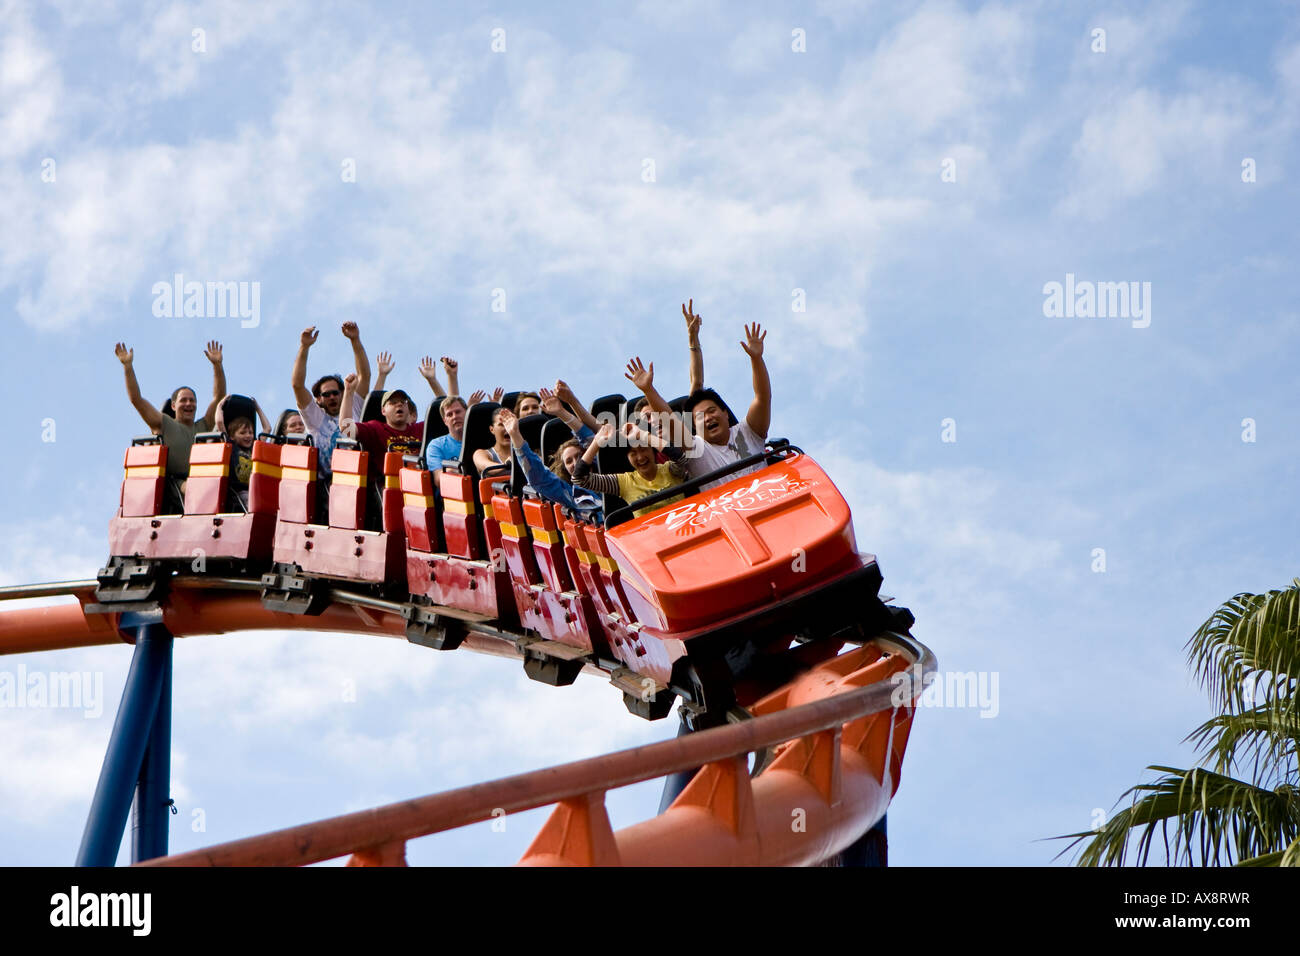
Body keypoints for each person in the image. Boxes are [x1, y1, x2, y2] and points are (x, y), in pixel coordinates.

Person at [624, 322, 770, 491]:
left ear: (725, 414)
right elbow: (669, 419)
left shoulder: (749, 432)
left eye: (712, 411)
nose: (708, 418)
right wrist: (649, 390)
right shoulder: (695, 450)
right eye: (700, 416)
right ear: (693, 425)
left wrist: (757, 359)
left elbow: (762, 397)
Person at [114, 340, 227, 479]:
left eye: (192, 400)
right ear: (173, 406)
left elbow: (219, 397)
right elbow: (137, 400)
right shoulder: (164, 423)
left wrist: (217, 366)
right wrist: (127, 367)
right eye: (183, 400)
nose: (188, 404)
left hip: (201, 482)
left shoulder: (203, 426)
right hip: (175, 485)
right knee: (191, 488)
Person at [289, 323, 372, 479]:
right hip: (327, 485)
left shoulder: (353, 406)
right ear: (319, 399)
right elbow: (297, 385)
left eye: (335, 393)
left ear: (342, 393)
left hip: (357, 479)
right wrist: (304, 347)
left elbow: (365, 376)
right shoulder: (315, 418)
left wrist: (355, 340)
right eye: (327, 395)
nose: (332, 397)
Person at [500, 410, 602, 520]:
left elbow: (592, 440)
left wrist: (562, 412)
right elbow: (538, 476)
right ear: (565, 470)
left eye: (579, 456)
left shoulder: (609, 473)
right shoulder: (570, 494)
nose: (575, 463)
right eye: (568, 461)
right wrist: (515, 435)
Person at [572, 421, 688, 518]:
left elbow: (681, 459)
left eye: (643, 449)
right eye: (633, 453)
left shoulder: (670, 470)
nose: (640, 457)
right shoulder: (624, 482)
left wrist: (642, 435)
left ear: (653, 450)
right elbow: (579, 479)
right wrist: (596, 442)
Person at [214, 396, 271, 509]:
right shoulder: (231, 446)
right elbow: (220, 423)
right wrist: (220, 406)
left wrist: (257, 409)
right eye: (243, 433)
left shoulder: (254, 447)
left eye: (250, 432)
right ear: (232, 436)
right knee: (253, 502)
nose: (248, 436)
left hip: (253, 489)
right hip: (239, 492)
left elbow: (267, 429)